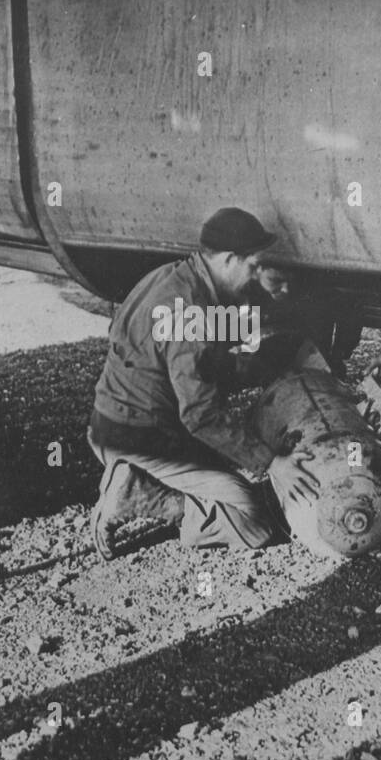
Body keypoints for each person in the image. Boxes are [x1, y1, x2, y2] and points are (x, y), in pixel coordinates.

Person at [88, 207, 320, 558]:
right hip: (139, 440)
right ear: (229, 260)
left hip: (114, 422)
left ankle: (155, 480)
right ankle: (140, 493)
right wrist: (272, 464)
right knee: (252, 520)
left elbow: (186, 359)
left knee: (225, 469)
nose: (256, 276)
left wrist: (263, 364)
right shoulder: (190, 312)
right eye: (253, 266)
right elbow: (200, 414)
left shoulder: (170, 277)